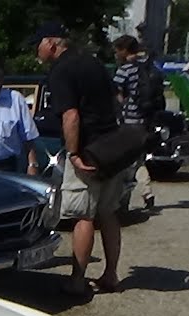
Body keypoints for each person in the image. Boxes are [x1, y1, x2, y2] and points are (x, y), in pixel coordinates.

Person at [30, 21, 124, 296]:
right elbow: (118, 97)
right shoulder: (92, 61)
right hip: (112, 145)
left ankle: (77, 280)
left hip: (88, 149)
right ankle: (111, 274)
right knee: (108, 212)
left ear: (51, 43)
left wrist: (73, 153)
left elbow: (71, 115)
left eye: (38, 45)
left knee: (83, 215)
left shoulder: (61, 70)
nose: (36, 50)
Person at [111, 35, 157, 211]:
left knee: (125, 162)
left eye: (117, 50)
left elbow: (116, 93)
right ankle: (147, 193)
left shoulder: (124, 70)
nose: (116, 54)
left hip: (128, 120)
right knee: (138, 160)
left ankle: (123, 201)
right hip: (143, 119)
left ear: (124, 50)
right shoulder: (145, 67)